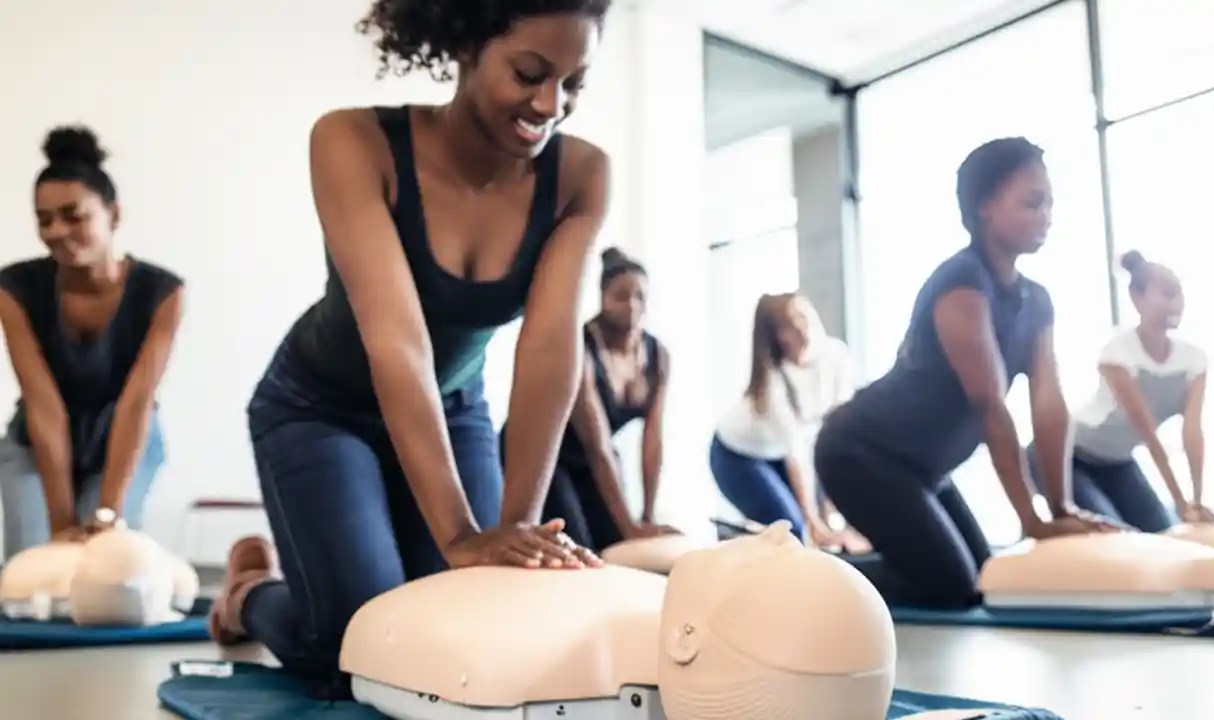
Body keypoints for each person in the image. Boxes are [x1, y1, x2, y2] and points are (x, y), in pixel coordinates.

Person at [206, 0, 613, 697]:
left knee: (460, 630)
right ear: (465, 47)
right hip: (317, 408)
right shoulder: (353, 141)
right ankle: (246, 594)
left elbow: (549, 351)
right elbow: (398, 345)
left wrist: (516, 530)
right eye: (529, 74)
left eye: (573, 83)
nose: (551, 105)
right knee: (362, 645)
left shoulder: (581, 175)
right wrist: (461, 535)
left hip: (453, 409)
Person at [813, 137, 1119, 610]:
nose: (1046, 215)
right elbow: (990, 405)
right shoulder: (961, 281)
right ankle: (809, 580)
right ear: (985, 207)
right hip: (861, 452)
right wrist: (1031, 520)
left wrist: (1061, 508)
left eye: (1049, 203)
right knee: (952, 588)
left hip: (926, 468)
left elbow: (1048, 404)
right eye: (1032, 202)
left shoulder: (1036, 300)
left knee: (983, 578)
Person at [0, 126, 182, 561]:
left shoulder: (161, 293)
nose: (57, 230)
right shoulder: (15, 288)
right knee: (35, 565)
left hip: (125, 438)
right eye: (44, 219)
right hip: (36, 443)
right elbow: (43, 405)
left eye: (74, 215)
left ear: (113, 214)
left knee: (103, 560)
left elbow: (136, 404)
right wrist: (61, 524)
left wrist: (107, 512)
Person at [1028, 251, 1214, 532]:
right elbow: (1148, 434)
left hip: (1118, 462)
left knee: (1163, 533)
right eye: (1167, 294)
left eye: (1179, 295)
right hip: (1067, 456)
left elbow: (1192, 432)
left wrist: (1196, 502)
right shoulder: (1118, 354)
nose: (1176, 303)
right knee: (1115, 537)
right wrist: (1180, 503)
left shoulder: (1193, 360)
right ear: (1137, 298)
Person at [505, 247, 676, 552]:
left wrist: (646, 516)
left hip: (594, 458)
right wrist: (630, 529)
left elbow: (653, 439)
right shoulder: (579, 347)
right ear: (602, 297)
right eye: (621, 296)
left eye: (640, 297)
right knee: (578, 545)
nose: (632, 305)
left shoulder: (657, 355)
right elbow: (597, 445)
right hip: (546, 453)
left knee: (616, 541)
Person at [710, 292, 862, 552]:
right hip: (738, 456)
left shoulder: (836, 356)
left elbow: (834, 434)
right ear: (775, 336)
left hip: (783, 454)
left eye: (803, 317)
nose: (801, 329)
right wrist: (813, 521)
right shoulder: (774, 379)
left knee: (819, 526)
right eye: (788, 326)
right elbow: (796, 454)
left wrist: (829, 512)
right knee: (793, 529)